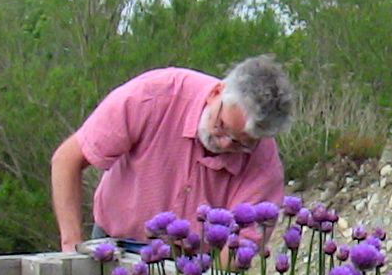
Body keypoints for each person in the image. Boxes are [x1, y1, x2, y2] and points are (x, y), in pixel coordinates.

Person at [51, 56, 296, 253]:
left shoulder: (263, 160)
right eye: (221, 126)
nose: (223, 144)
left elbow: (238, 250)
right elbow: (66, 160)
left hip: (192, 268)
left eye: (240, 144)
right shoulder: (153, 95)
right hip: (113, 247)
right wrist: (71, 252)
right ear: (216, 94)